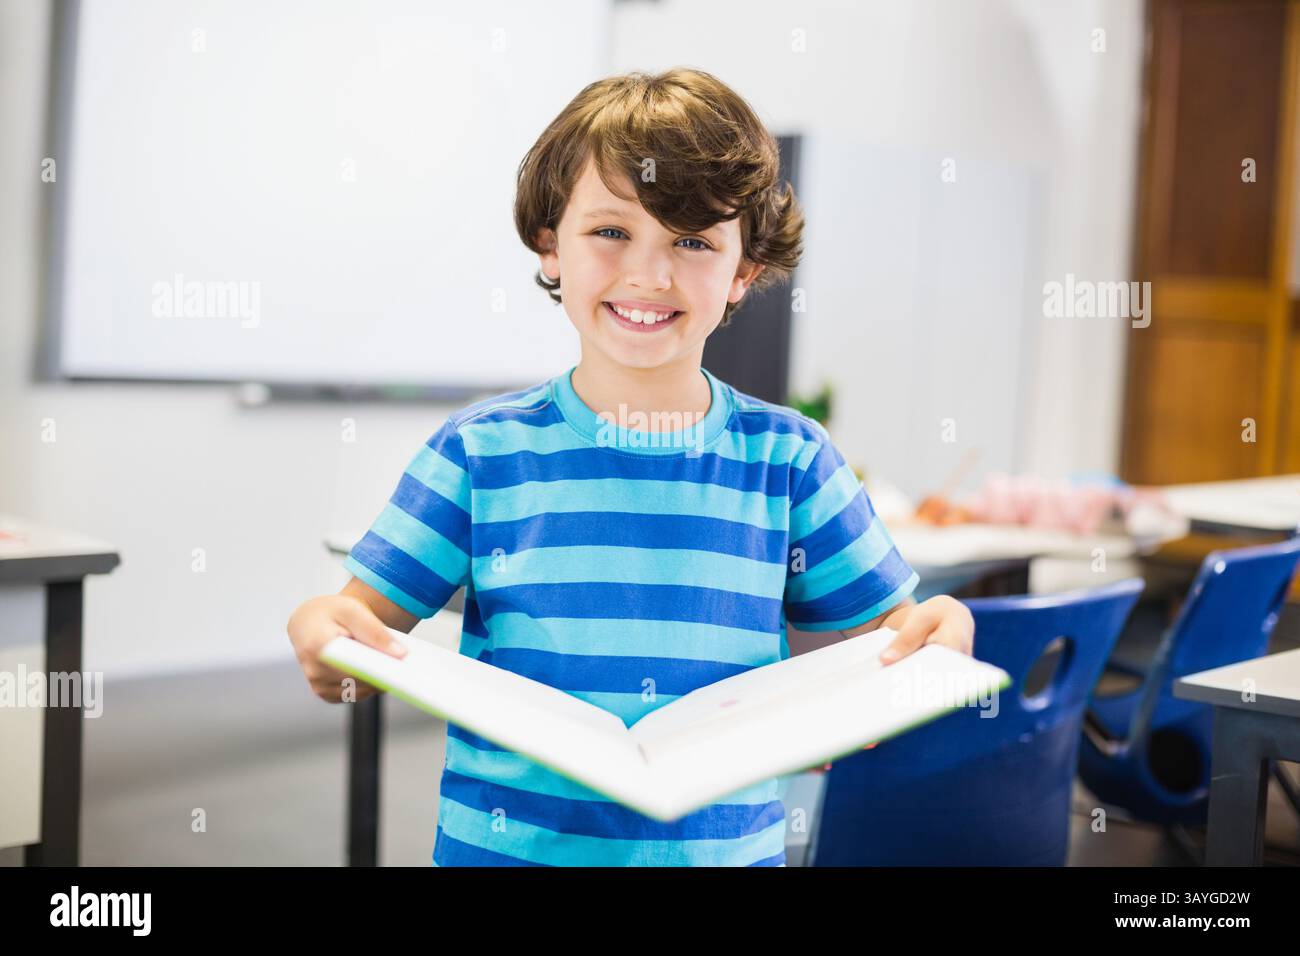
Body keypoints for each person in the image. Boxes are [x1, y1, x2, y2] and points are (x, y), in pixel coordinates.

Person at [286, 68, 975, 866]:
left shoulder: (792, 461)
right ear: (550, 246)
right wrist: (323, 636)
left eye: (693, 241)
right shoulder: (479, 451)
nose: (649, 275)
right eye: (611, 232)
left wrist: (936, 634)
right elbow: (355, 641)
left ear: (744, 271)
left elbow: (883, 647)